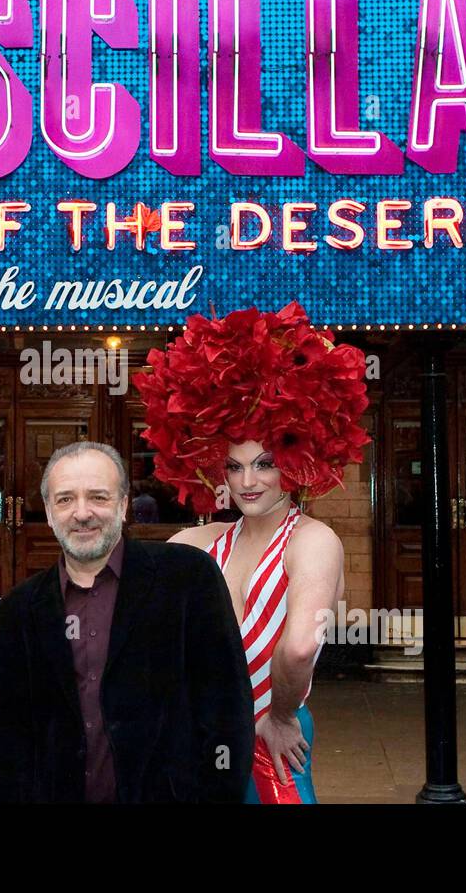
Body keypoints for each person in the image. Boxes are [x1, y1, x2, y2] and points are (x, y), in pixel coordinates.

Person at [135, 302, 371, 804]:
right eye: (233, 466)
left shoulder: (309, 539)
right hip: (211, 735)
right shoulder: (196, 543)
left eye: (264, 463)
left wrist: (282, 716)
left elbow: (302, 646)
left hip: (268, 730)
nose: (247, 481)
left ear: (295, 458)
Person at [0, 441, 254, 803]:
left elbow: (226, 710)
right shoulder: (16, 613)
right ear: (48, 512)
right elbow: (7, 744)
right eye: (65, 499)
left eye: (98, 497)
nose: (82, 513)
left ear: (124, 504)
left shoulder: (188, 580)